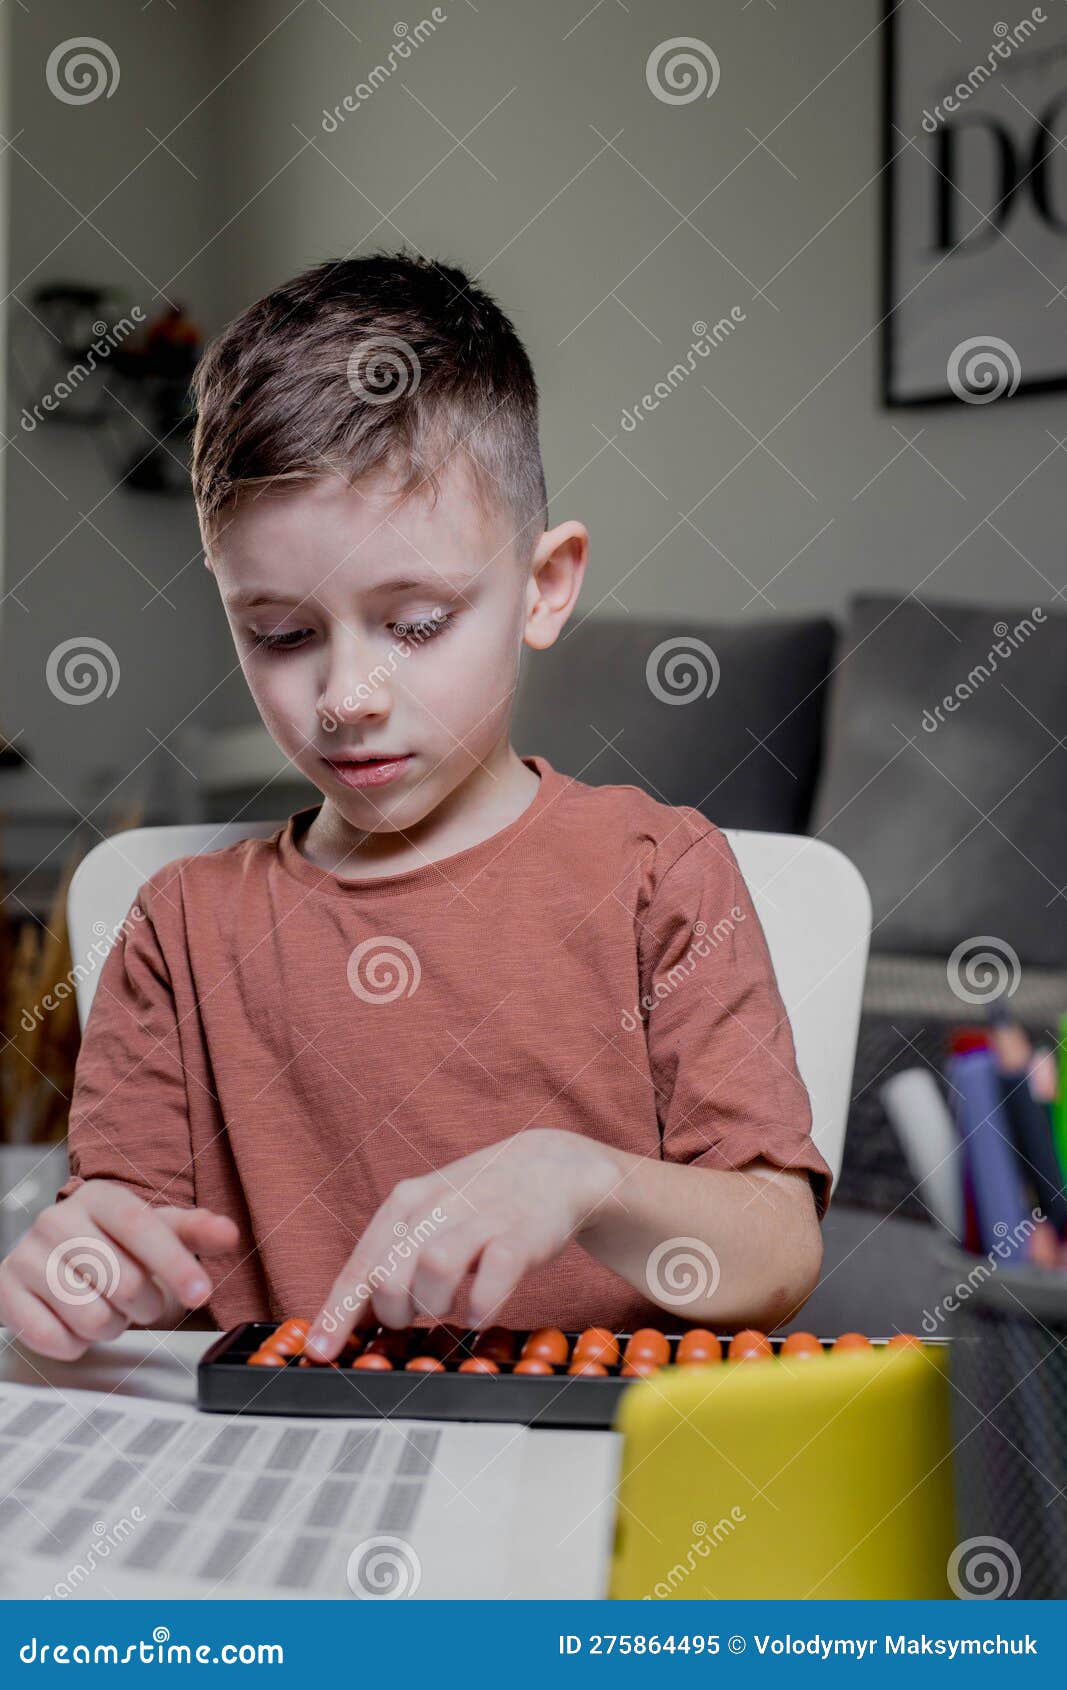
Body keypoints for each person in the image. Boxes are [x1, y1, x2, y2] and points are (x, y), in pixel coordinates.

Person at [0, 251, 830, 1362]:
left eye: (417, 623)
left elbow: (775, 1252)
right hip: (283, 1491)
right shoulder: (177, 929)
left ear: (543, 587)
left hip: (587, 1491)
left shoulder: (656, 873)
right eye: (280, 634)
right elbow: (138, 1267)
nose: (347, 698)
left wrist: (585, 1180)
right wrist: (86, 1271)